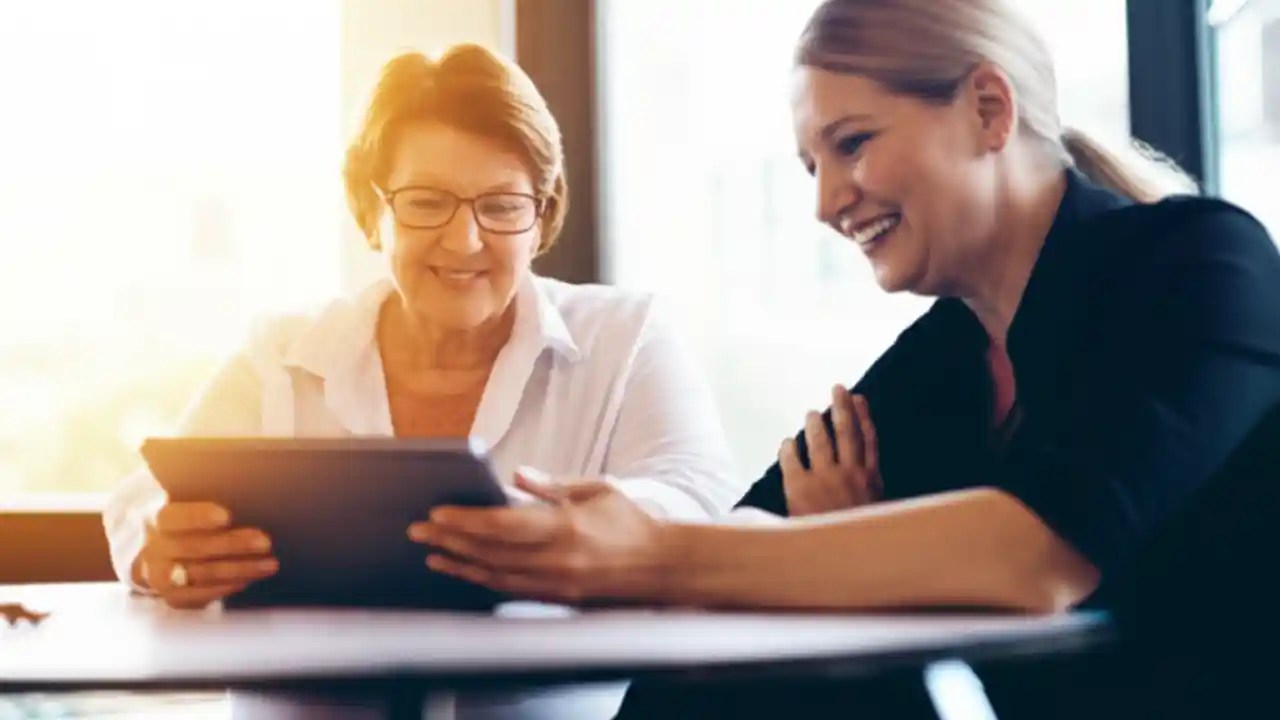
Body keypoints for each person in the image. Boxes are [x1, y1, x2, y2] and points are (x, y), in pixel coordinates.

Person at [413, 1, 1280, 717]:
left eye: (854, 143)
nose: (828, 203)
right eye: (810, 164)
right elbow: (756, 528)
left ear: (988, 109)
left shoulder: (1204, 263)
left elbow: (1035, 555)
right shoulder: (942, 362)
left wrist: (654, 553)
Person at [102, 44, 742, 720]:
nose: (464, 240)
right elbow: (141, 503)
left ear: (541, 215)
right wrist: (160, 546)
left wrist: (574, 530)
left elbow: (705, 500)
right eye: (426, 202)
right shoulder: (283, 353)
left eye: (500, 206)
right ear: (369, 208)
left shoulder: (626, 336)